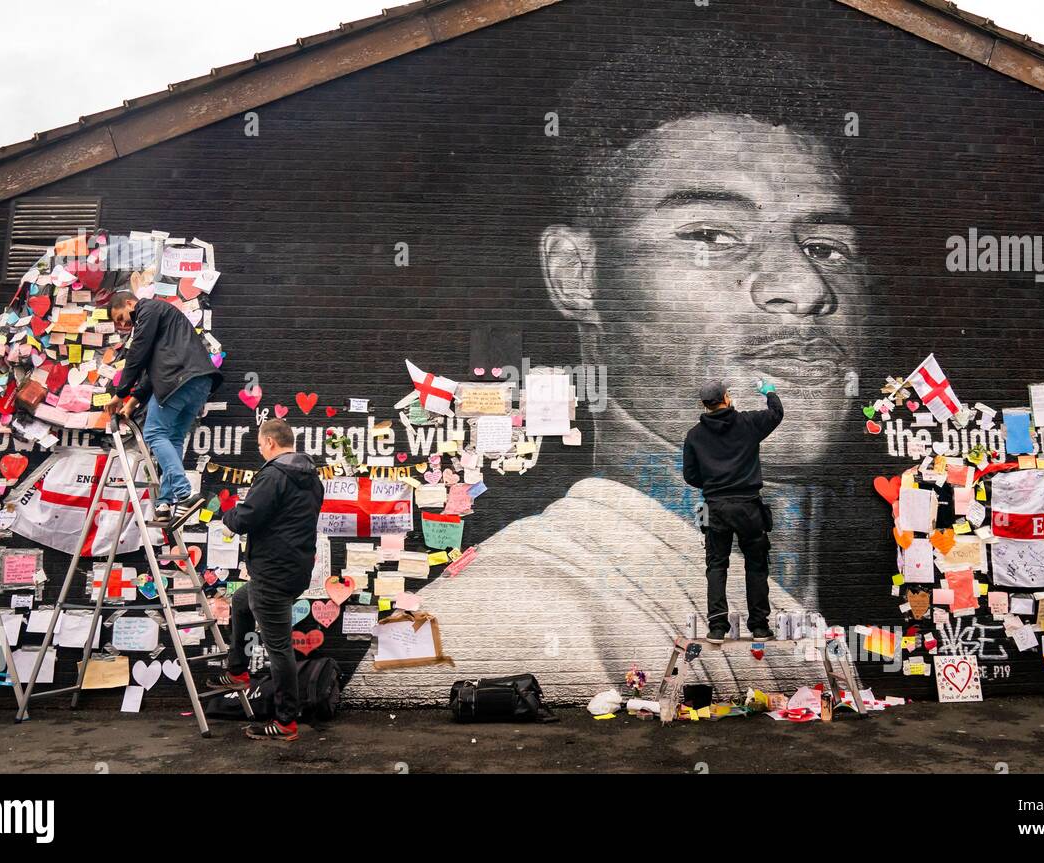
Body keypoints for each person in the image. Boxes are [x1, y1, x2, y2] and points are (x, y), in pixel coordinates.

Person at [342, 30, 867, 705]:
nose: (803, 285)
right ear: (577, 274)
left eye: (827, 244)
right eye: (711, 236)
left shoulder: (789, 603)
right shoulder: (502, 621)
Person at [208, 419, 323, 741]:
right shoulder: (311, 477)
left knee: (279, 649)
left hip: (272, 571)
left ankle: (286, 721)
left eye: (260, 445)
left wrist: (227, 514)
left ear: (270, 443)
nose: (260, 451)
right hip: (293, 569)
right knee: (242, 601)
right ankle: (237, 671)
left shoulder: (274, 475)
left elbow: (245, 519)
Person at [105, 291, 223, 521]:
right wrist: (133, 402)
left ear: (130, 303)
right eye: (118, 322)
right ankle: (165, 504)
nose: (122, 324)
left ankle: (184, 492)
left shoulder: (147, 310)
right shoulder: (164, 323)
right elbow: (152, 371)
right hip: (199, 383)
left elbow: (137, 354)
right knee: (174, 439)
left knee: (154, 432)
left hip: (179, 380)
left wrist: (120, 393)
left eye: (120, 317)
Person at [682, 380, 783, 643]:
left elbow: (690, 476)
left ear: (705, 405)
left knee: (716, 565)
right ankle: (759, 626)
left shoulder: (694, 435)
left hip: (715, 508)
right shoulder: (748, 423)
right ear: (726, 398)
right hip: (749, 506)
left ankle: (717, 627)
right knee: (757, 565)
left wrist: (714, 484)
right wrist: (769, 392)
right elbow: (776, 414)